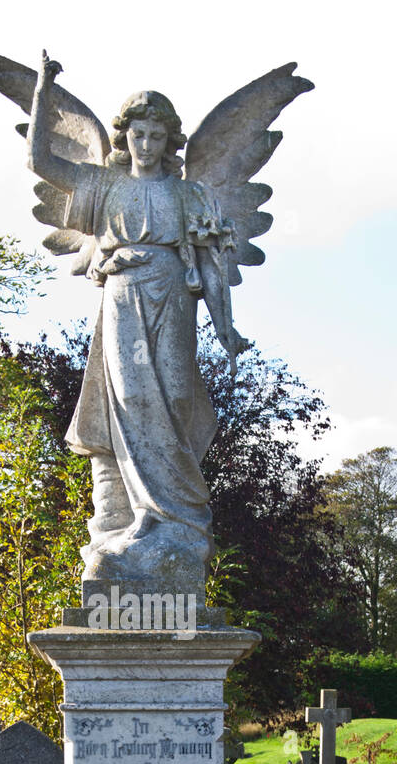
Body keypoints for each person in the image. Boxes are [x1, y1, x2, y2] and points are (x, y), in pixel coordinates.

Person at [27, 52, 245, 583]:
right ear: (124, 139)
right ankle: (137, 520)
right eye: (137, 135)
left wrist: (224, 326)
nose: (144, 145)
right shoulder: (104, 188)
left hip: (172, 300)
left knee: (171, 401)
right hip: (122, 301)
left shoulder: (189, 194)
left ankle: (180, 524)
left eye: (155, 135)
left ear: (170, 142)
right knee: (130, 403)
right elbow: (41, 164)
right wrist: (41, 94)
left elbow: (213, 267)